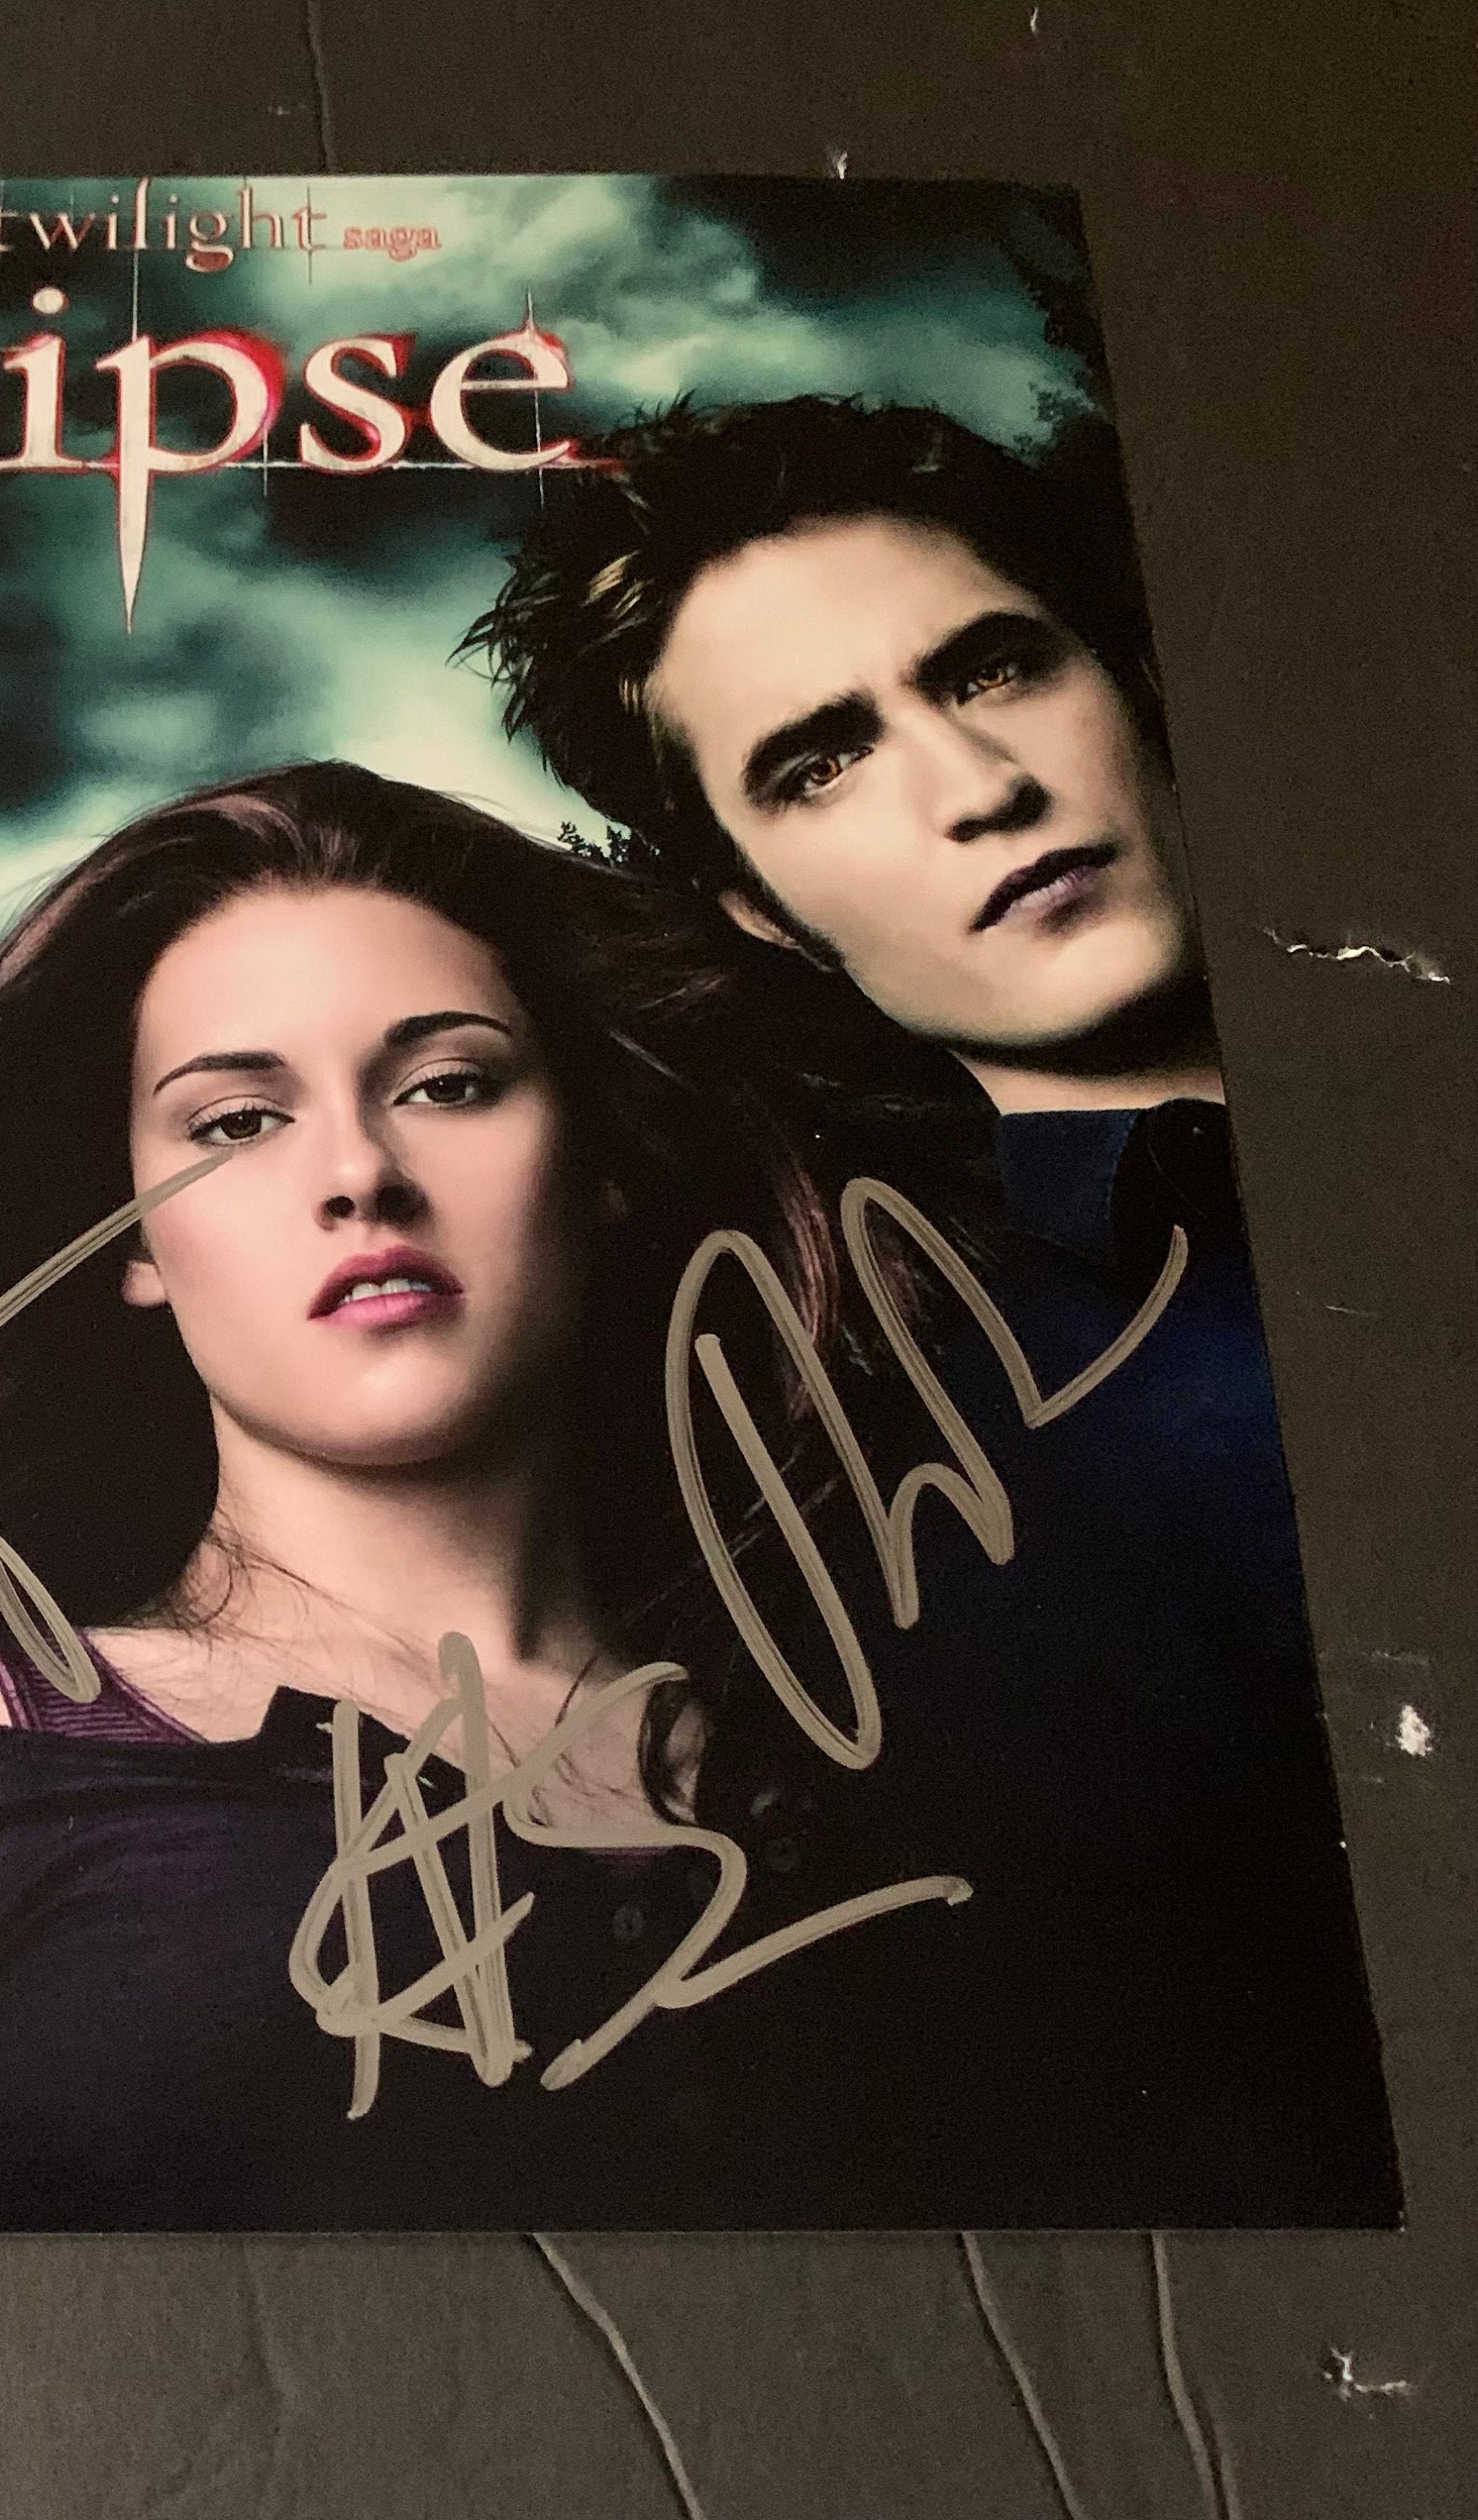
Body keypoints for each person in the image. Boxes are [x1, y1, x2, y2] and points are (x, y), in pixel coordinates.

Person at [0, 761, 920, 2229]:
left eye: (449, 1085)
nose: (360, 1172)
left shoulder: (874, 1733)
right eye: (235, 1122)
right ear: (130, 1240)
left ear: (597, 1161)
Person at [465, 396, 1397, 2223]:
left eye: (994, 670)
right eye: (821, 763)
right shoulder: (961, 1504)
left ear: (1137, 675)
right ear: (756, 909)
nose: (977, 785)